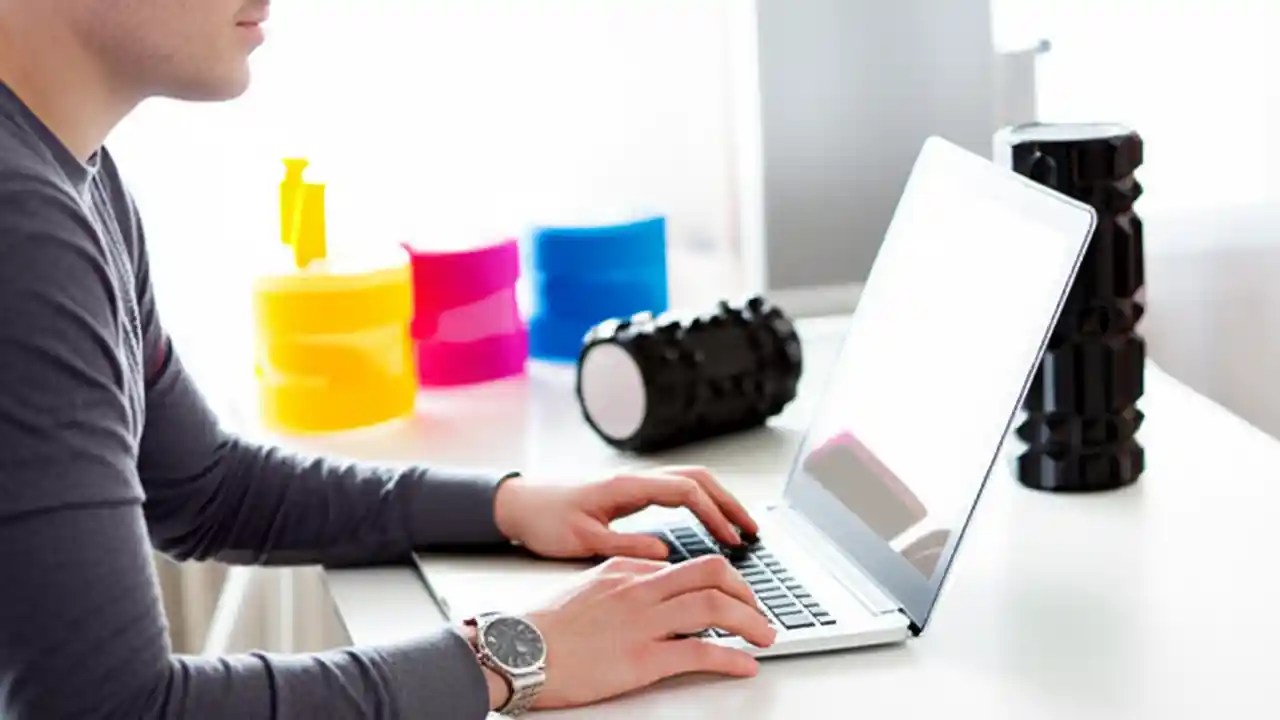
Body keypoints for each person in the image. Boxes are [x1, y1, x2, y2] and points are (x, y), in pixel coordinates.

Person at [0, 1, 777, 718]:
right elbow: (105, 709)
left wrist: (509, 507)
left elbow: (199, 488)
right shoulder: (23, 230)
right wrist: (513, 654)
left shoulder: (75, 176)